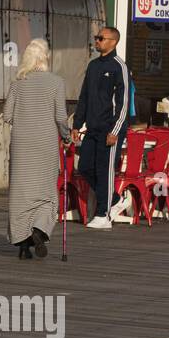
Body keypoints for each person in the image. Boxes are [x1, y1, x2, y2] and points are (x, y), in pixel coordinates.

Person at [3, 39, 71, 259]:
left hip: (21, 145)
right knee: (46, 194)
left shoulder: (17, 82)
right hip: (46, 145)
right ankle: (39, 230)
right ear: (45, 58)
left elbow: (8, 115)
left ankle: (23, 247)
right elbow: (61, 116)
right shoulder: (56, 82)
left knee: (20, 195)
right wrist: (66, 136)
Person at [71, 26, 130, 230]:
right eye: (96, 38)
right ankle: (115, 199)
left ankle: (103, 214)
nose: (96, 41)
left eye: (101, 38)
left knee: (104, 170)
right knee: (85, 166)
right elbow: (84, 96)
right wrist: (77, 124)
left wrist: (115, 130)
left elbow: (123, 102)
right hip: (93, 127)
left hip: (110, 128)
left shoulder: (119, 67)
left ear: (113, 42)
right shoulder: (93, 65)